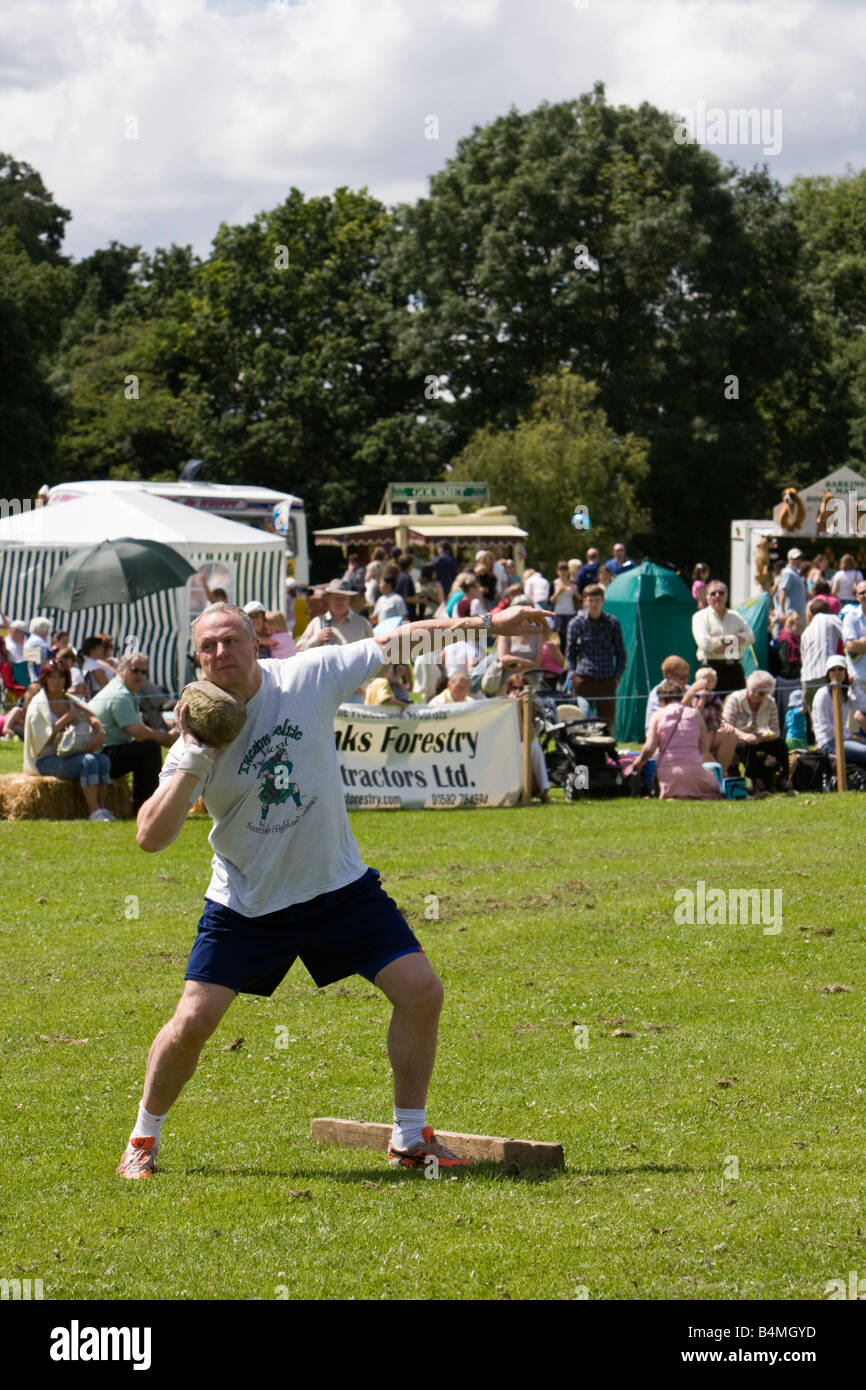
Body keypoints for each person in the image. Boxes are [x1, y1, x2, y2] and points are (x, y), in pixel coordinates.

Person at [117, 597, 550, 1179]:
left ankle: (408, 1136)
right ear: (197, 660)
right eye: (208, 646)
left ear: (256, 644)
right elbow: (150, 835)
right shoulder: (198, 735)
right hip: (249, 901)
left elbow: (401, 640)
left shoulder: (306, 677)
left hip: (336, 887)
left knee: (422, 991)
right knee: (193, 1022)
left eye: (231, 640)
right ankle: (144, 1136)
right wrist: (195, 757)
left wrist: (485, 625)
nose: (221, 653)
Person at [87, 651, 177, 813]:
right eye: (135, 670)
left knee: (146, 746)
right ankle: (146, 808)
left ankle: (146, 805)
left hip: (101, 753)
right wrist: (167, 737)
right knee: (149, 748)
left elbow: (140, 726)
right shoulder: (120, 696)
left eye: (144, 672)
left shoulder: (124, 690)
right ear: (122, 670)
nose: (140, 676)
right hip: (98, 757)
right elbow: (140, 733)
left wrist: (174, 727)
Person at [23, 661, 114, 820]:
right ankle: (94, 811)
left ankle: (103, 808)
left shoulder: (72, 699)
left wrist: (99, 730)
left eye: (61, 677)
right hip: (46, 758)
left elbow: (90, 715)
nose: (56, 681)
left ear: (66, 679)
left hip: (72, 753)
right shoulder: (38, 705)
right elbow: (41, 743)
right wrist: (64, 720)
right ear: (45, 679)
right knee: (89, 761)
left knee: (104, 760)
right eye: (52, 677)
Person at [632, 682, 721, 800]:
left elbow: (650, 747)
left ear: (661, 701)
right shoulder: (695, 714)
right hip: (695, 771)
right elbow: (704, 749)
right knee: (716, 789)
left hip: (668, 773)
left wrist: (639, 761)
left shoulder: (657, 715)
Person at [565, 584, 626, 726]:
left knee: (607, 723)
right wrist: (573, 675)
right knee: (580, 721)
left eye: (597, 600)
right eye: (590, 600)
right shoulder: (575, 623)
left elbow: (621, 653)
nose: (594, 604)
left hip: (606, 679)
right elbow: (570, 653)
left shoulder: (612, 622)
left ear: (603, 601)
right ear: (584, 601)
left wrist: (617, 677)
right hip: (583, 678)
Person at [722, 670, 789, 793]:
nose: (756, 695)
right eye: (753, 690)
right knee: (747, 746)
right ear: (748, 686)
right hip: (737, 738)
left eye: (761, 693)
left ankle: (783, 778)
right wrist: (744, 735)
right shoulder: (735, 698)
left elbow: (776, 730)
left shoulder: (770, 702)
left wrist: (767, 736)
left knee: (781, 744)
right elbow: (726, 724)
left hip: (760, 737)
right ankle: (755, 779)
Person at [691, 581, 754, 695]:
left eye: (721, 593)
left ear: (726, 595)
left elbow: (750, 637)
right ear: (707, 597)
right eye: (713, 593)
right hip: (710, 669)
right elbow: (705, 645)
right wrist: (734, 641)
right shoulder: (699, 617)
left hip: (733, 666)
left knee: (737, 708)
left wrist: (718, 642)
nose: (717, 596)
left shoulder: (735, 615)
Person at [811, 656, 866, 768]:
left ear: (846, 673)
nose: (837, 673)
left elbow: (864, 705)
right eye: (833, 670)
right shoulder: (822, 694)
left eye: (840, 669)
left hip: (843, 739)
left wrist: (854, 686)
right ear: (828, 674)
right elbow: (826, 728)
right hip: (828, 742)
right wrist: (851, 737)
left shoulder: (844, 693)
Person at [681, 667, 738, 775]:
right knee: (705, 745)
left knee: (726, 734)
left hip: (712, 726)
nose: (706, 684)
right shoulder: (695, 696)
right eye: (702, 681)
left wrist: (723, 722)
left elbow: (720, 711)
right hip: (699, 728)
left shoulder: (714, 696)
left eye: (710, 681)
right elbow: (696, 712)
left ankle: (720, 773)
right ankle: (716, 772)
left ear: (715, 683)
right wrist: (702, 700)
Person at [505, 673, 551, 803]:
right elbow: (516, 736)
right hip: (505, 746)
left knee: (535, 747)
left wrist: (522, 707)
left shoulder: (530, 706)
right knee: (525, 747)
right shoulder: (503, 705)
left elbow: (526, 736)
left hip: (521, 744)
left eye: (521, 689)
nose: (518, 692)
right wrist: (516, 707)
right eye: (515, 688)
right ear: (509, 689)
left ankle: (544, 790)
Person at [296, 580, 374, 650]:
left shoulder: (362, 623)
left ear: (349, 600)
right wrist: (317, 639)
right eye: (335, 598)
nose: (339, 602)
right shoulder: (317, 622)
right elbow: (298, 649)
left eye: (343, 598)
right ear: (328, 599)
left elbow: (374, 650)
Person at [800, 598, 844, 711]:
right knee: (833, 716)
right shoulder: (831, 618)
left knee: (817, 722)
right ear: (828, 610)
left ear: (811, 613)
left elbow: (803, 659)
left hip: (807, 679)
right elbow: (847, 636)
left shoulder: (806, 631)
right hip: (825, 674)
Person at [645, 655, 691, 732]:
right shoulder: (657, 693)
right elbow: (670, 718)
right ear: (670, 677)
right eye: (683, 678)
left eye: (688, 676)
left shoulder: (688, 688)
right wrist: (690, 695)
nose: (686, 681)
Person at [842, 577, 866, 692]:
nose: (865, 595)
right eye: (862, 593)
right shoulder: (851, 617)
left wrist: (861, 642)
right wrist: (857, 644)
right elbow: (850, 646)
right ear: (857, 597)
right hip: (859, 679)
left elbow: (856, 644)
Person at [775, 548, 807, 623]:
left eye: (799, 558)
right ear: (789, 559)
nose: (799, 561)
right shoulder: (788, 573)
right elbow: (782, 591)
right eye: (796, 558)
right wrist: (782, 611)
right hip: (792, 614)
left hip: (799, 613)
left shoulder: (796, 573)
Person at [551, 561, 578, 645]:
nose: (563, 572)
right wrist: (559, 592)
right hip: (559, 612)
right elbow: (551, 601)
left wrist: (575, 591)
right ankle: (562, 655)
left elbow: (579, 598)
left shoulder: (573, 583)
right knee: (561, 635)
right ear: (557, 571)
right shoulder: (554, 583)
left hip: (570, 612)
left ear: (568, 571)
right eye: (561, 570)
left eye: (565, 569)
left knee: (570, 634)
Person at [774, 610, 803, 678]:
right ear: (790, 625)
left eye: (801, 626)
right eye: (798, 626)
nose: (800, 628)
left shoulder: (795, 637)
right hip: (790, 676)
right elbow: (785, 664)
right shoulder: (786, 640)